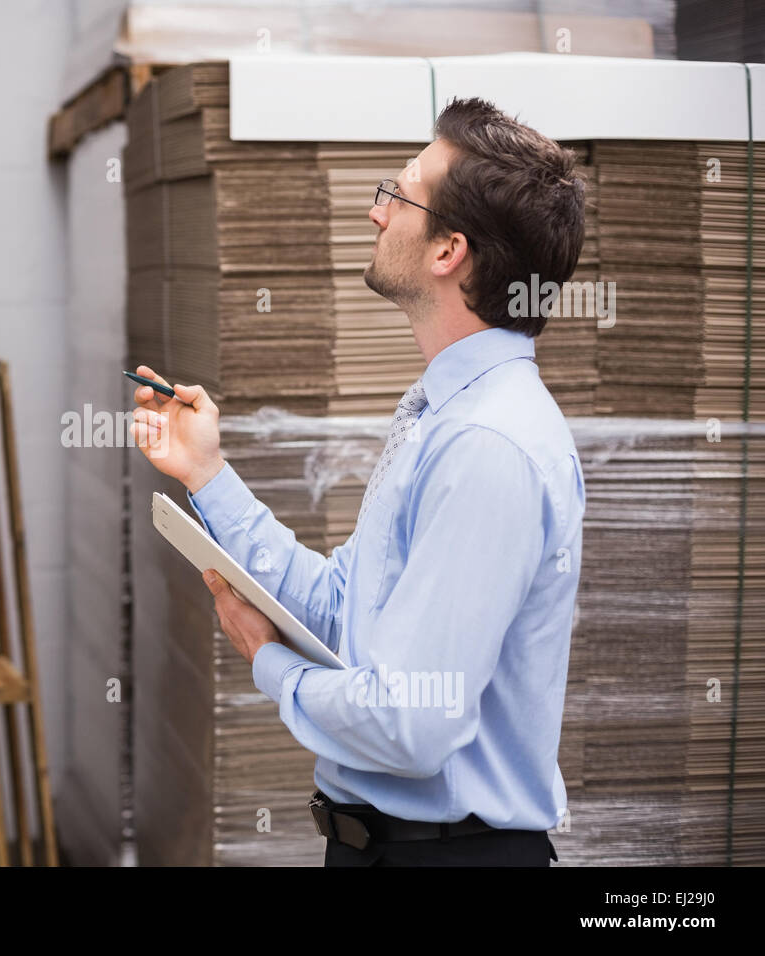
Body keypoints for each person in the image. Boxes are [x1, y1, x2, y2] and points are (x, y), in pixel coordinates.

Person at [129, 97, 587, 866]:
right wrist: (206, 474)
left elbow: (411, 723)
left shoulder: (485, 445)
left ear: (449, 251)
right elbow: (346, 612)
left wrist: (266, 660)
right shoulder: (439, 413)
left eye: (398, 194)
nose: (378, 214)